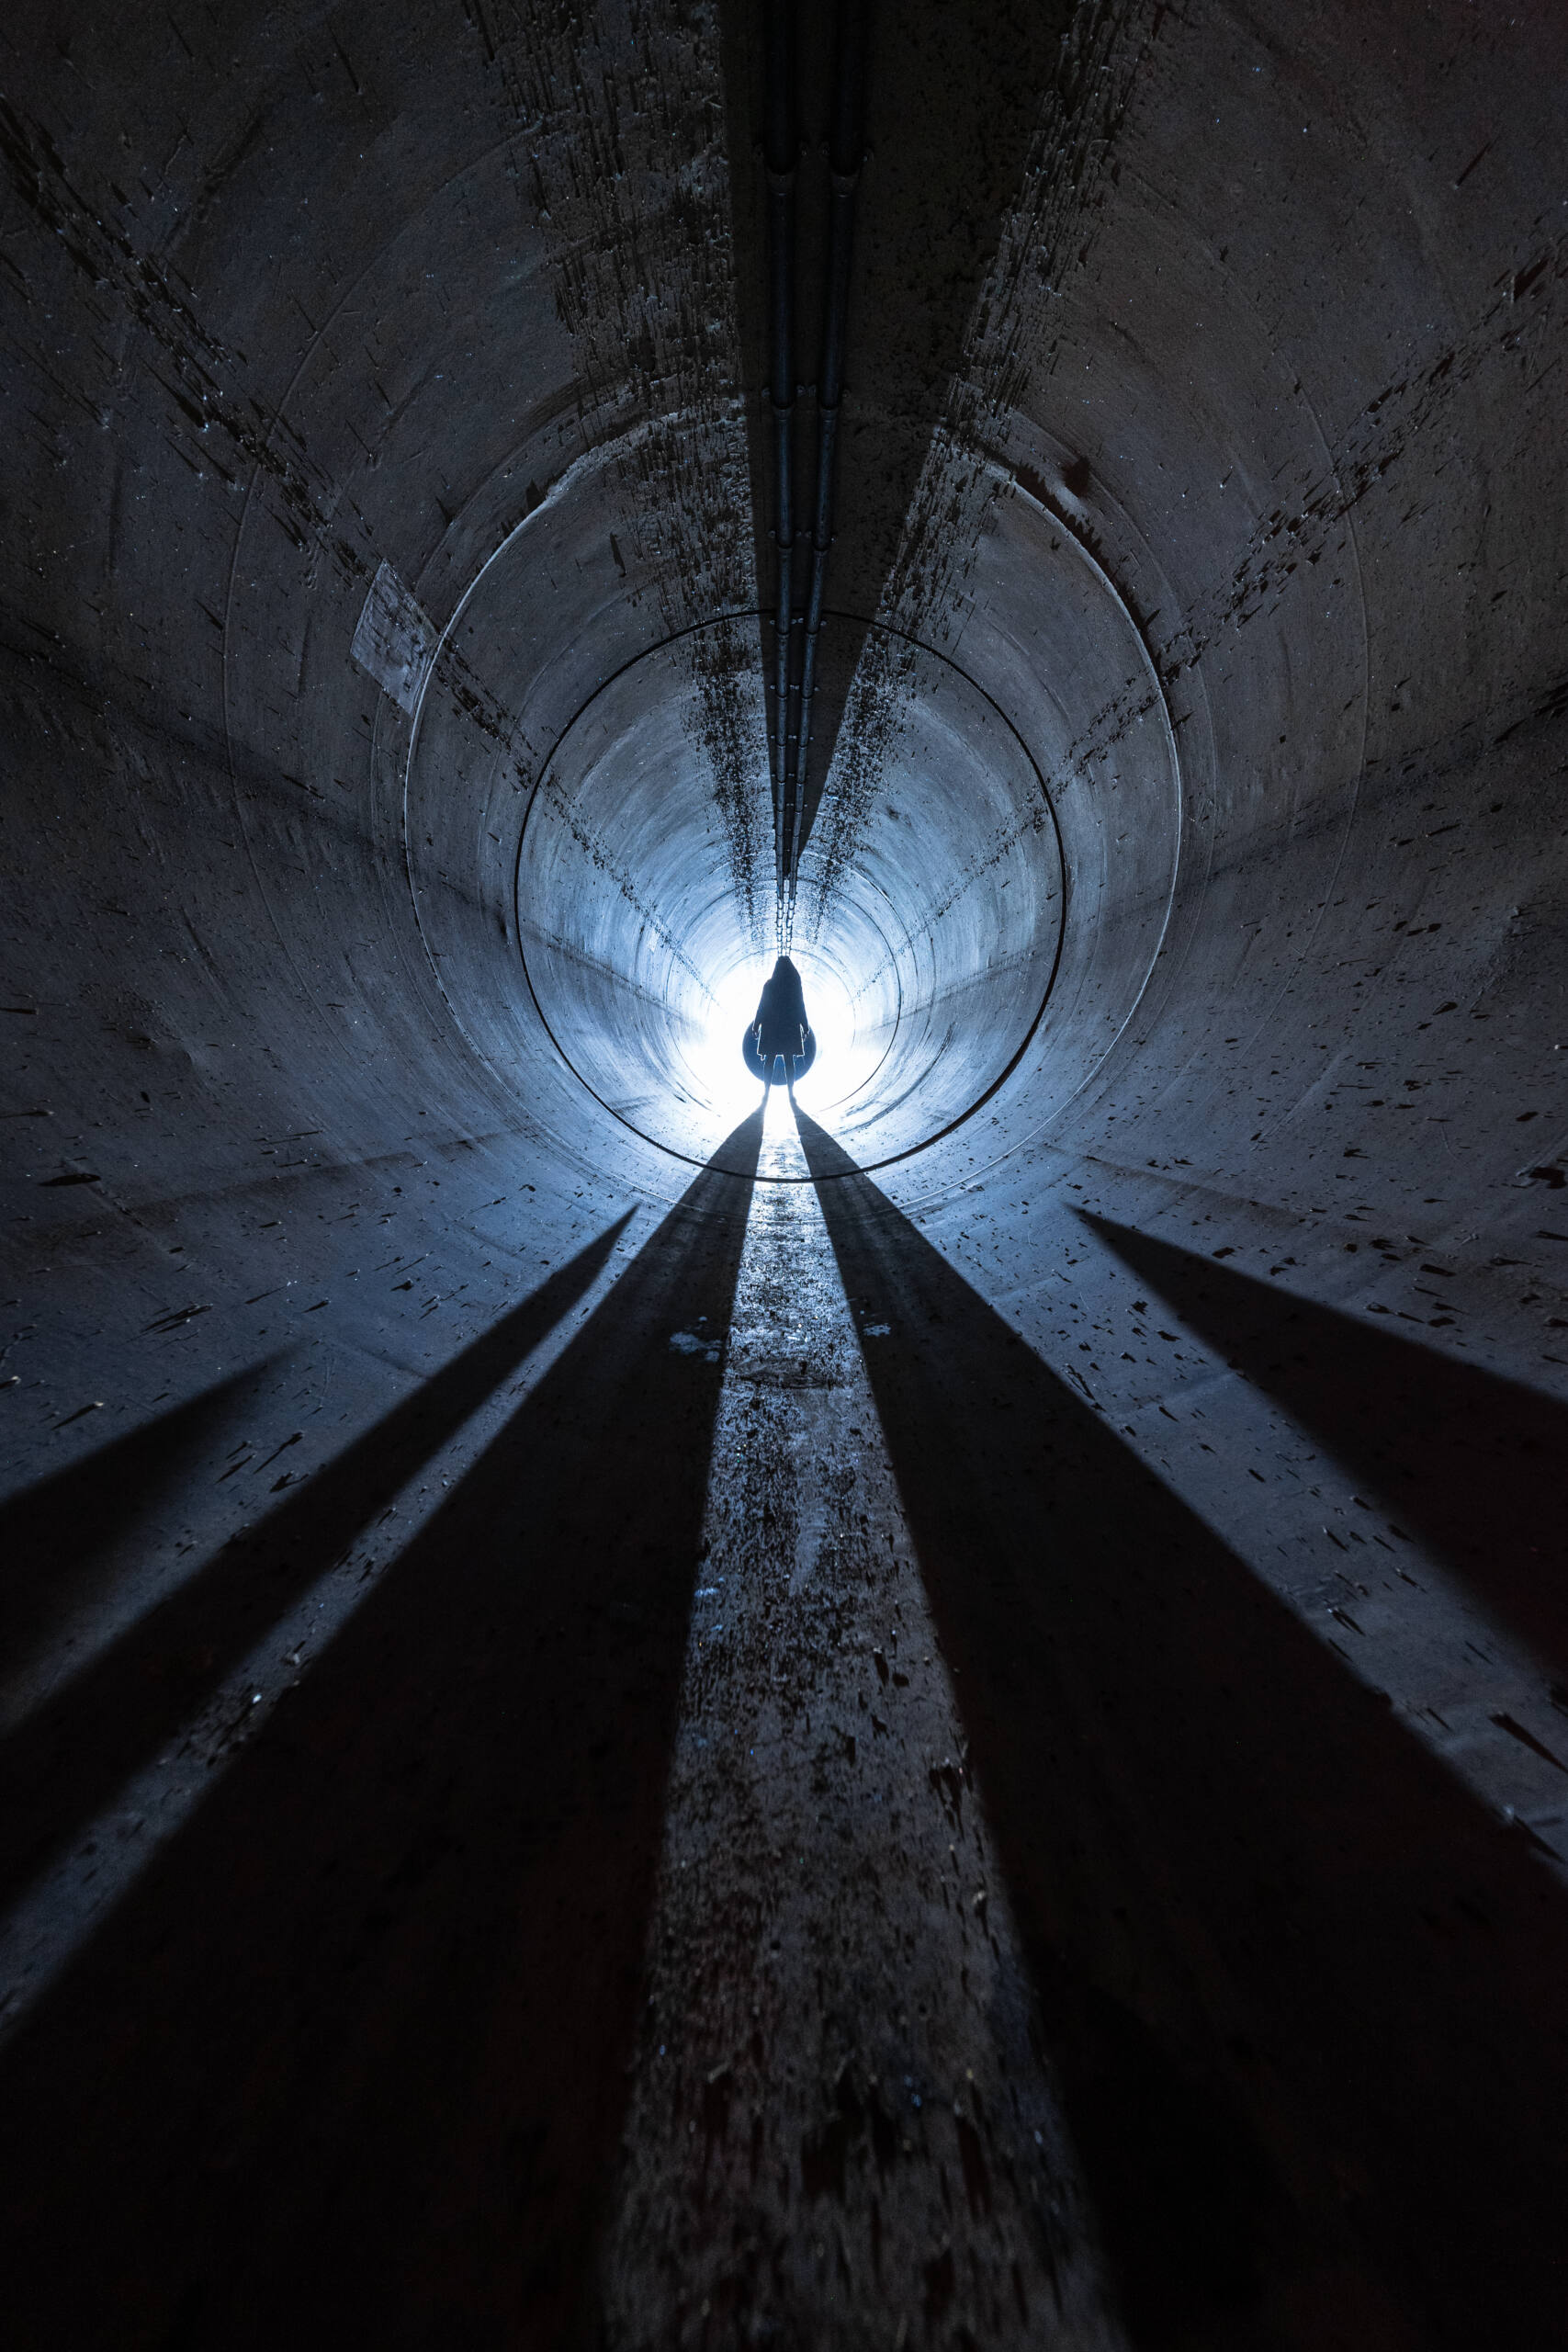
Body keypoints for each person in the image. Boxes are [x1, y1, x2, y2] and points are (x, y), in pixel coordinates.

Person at [743, 954, 816, 1101]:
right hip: (789, 1027)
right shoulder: (794, 985)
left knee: (769, 1059)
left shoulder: (769, 985)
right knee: (789, 1060)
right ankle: (790, 1092)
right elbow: (800, 1006)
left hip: (771, 1027)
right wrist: (805, 1026)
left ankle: (766, 1092)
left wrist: (756, 1026)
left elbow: (762, 1006)